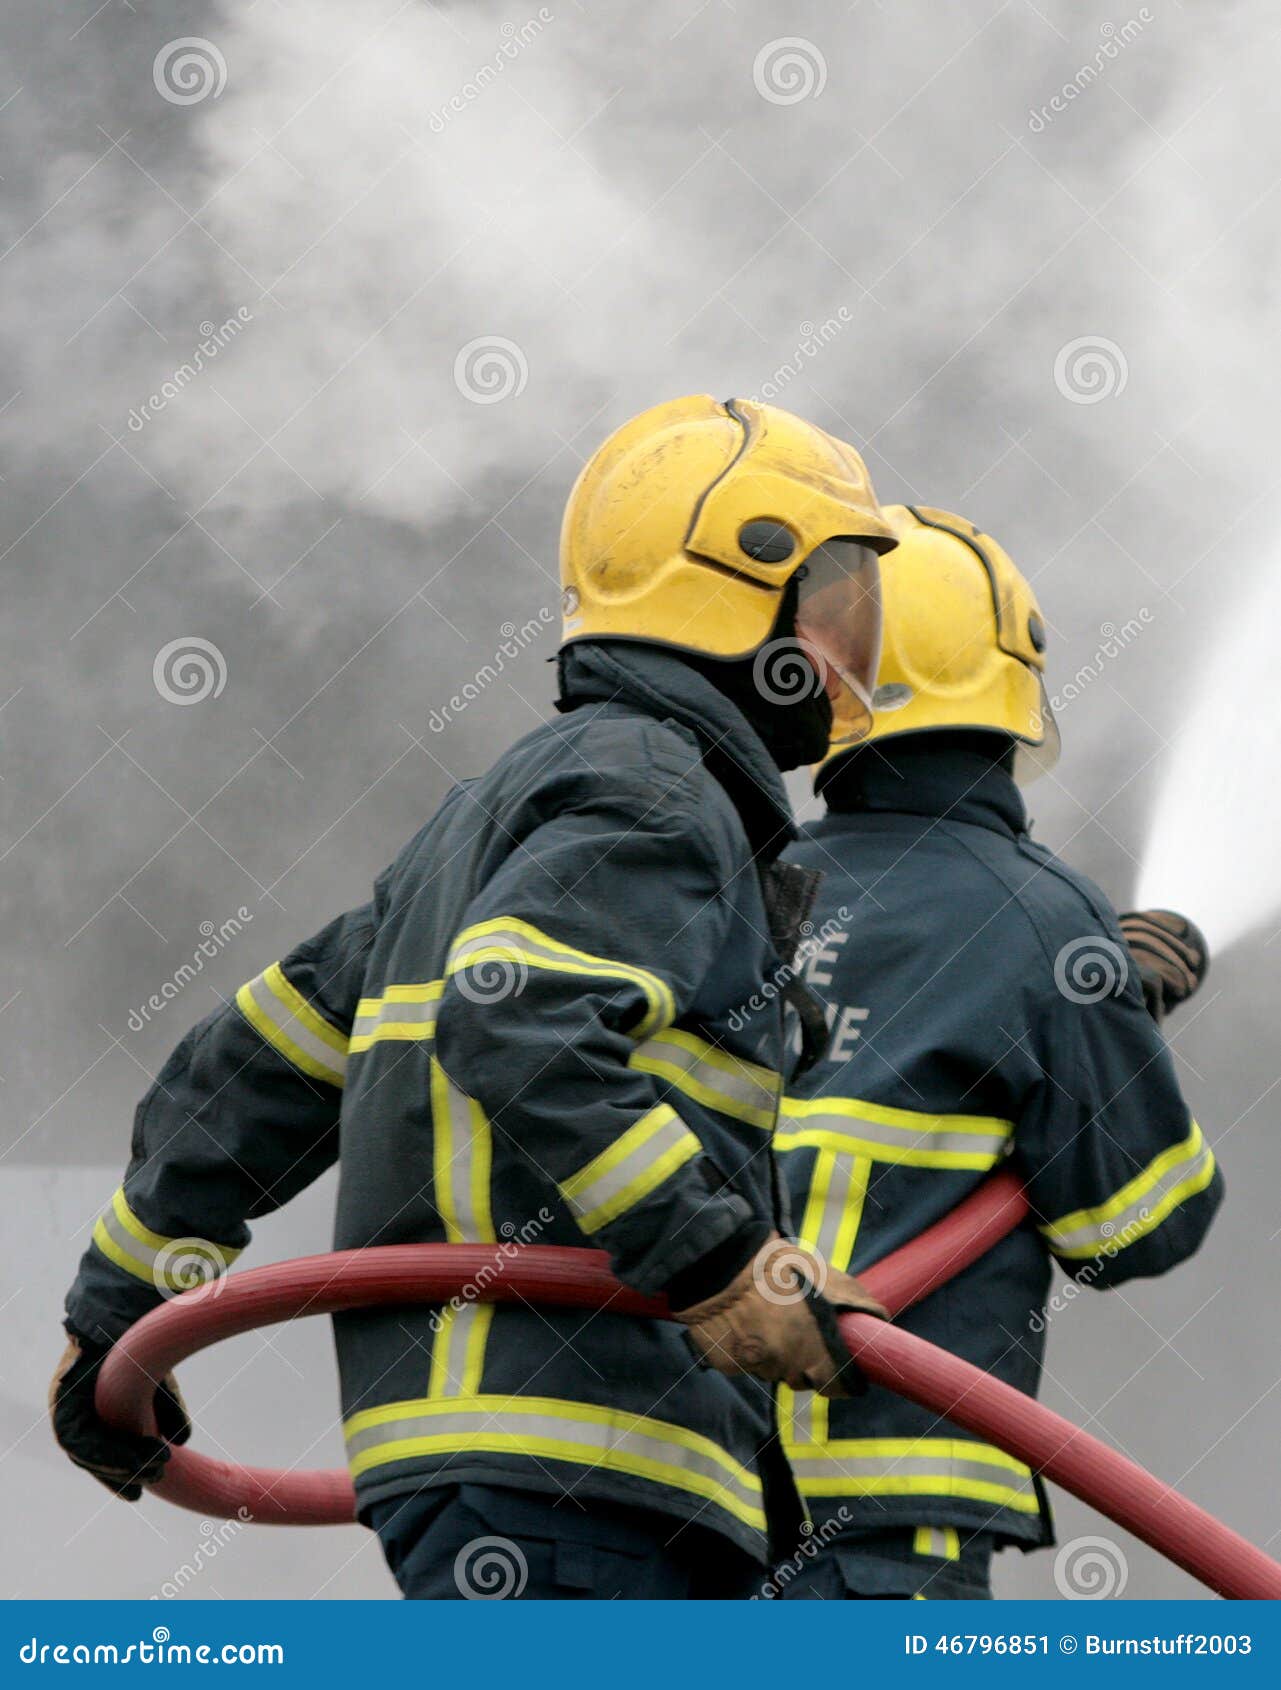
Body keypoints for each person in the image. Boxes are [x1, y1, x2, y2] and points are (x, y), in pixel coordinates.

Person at [50, 395, 897, 1600]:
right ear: (735, 584)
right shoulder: (659, 793)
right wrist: (716, 1258)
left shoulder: (497, 817)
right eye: (830, 598)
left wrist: (114, 1316)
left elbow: (255, 1061)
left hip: (496, 1467)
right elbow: (523, 1023)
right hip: (582, 1463)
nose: (848, 645)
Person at [773, 505, 1222, 1601]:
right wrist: (1113, 1024)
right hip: (889, 1517)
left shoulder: (738, 877)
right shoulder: (1044, 920)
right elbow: (1136, 1225)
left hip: (679, 1494)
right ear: (1013, 690)